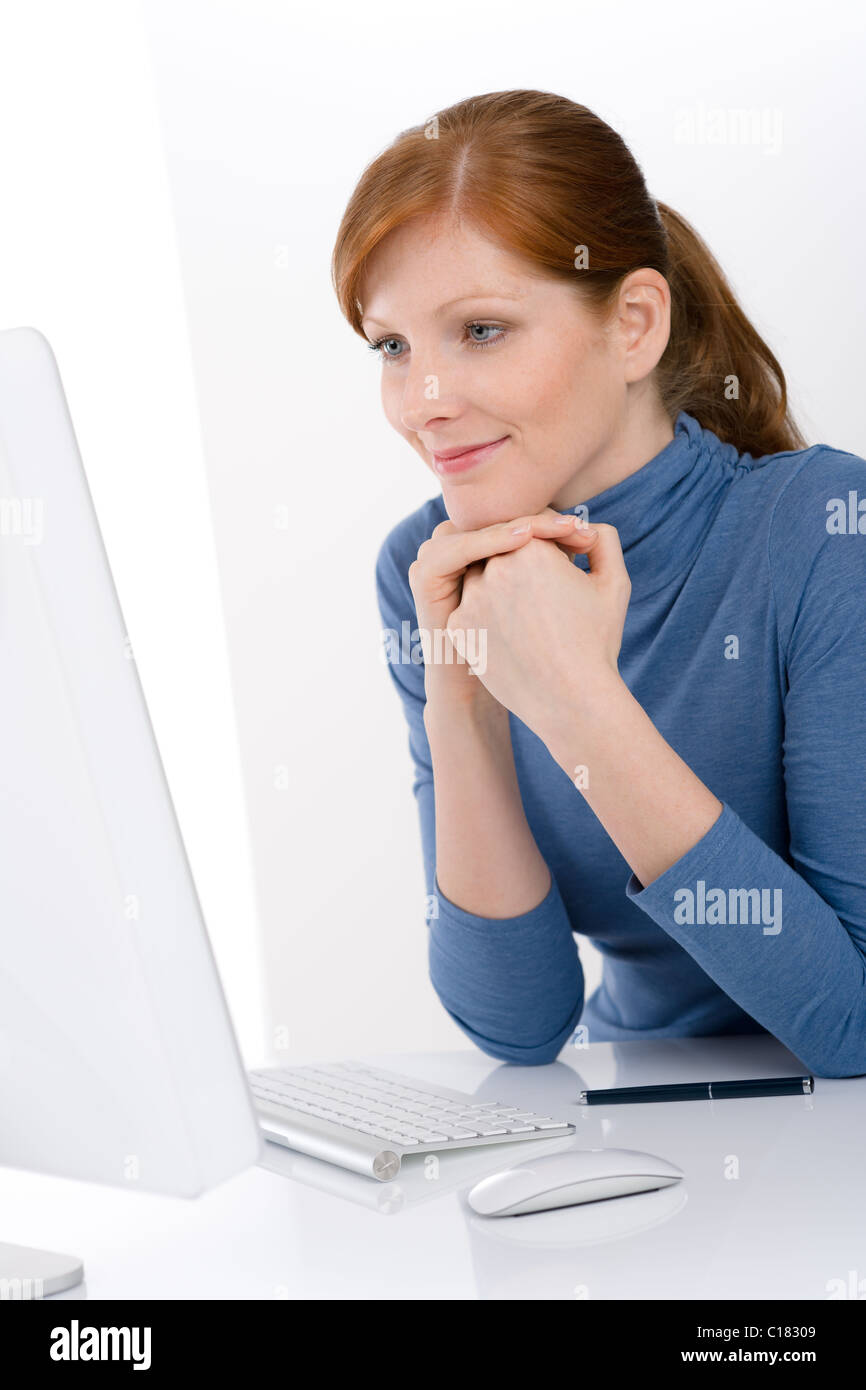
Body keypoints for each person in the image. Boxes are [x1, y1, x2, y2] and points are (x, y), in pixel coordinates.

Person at [331, 89, 866, 1076]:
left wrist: (578, 704)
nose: (422, 404)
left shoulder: (825, 530)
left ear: (631, 324)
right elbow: (520, 1027)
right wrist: (460, 692)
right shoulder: (432, 569)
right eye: (392, 346)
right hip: (632, 1134)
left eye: (481, 330)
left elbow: (852, 1026)